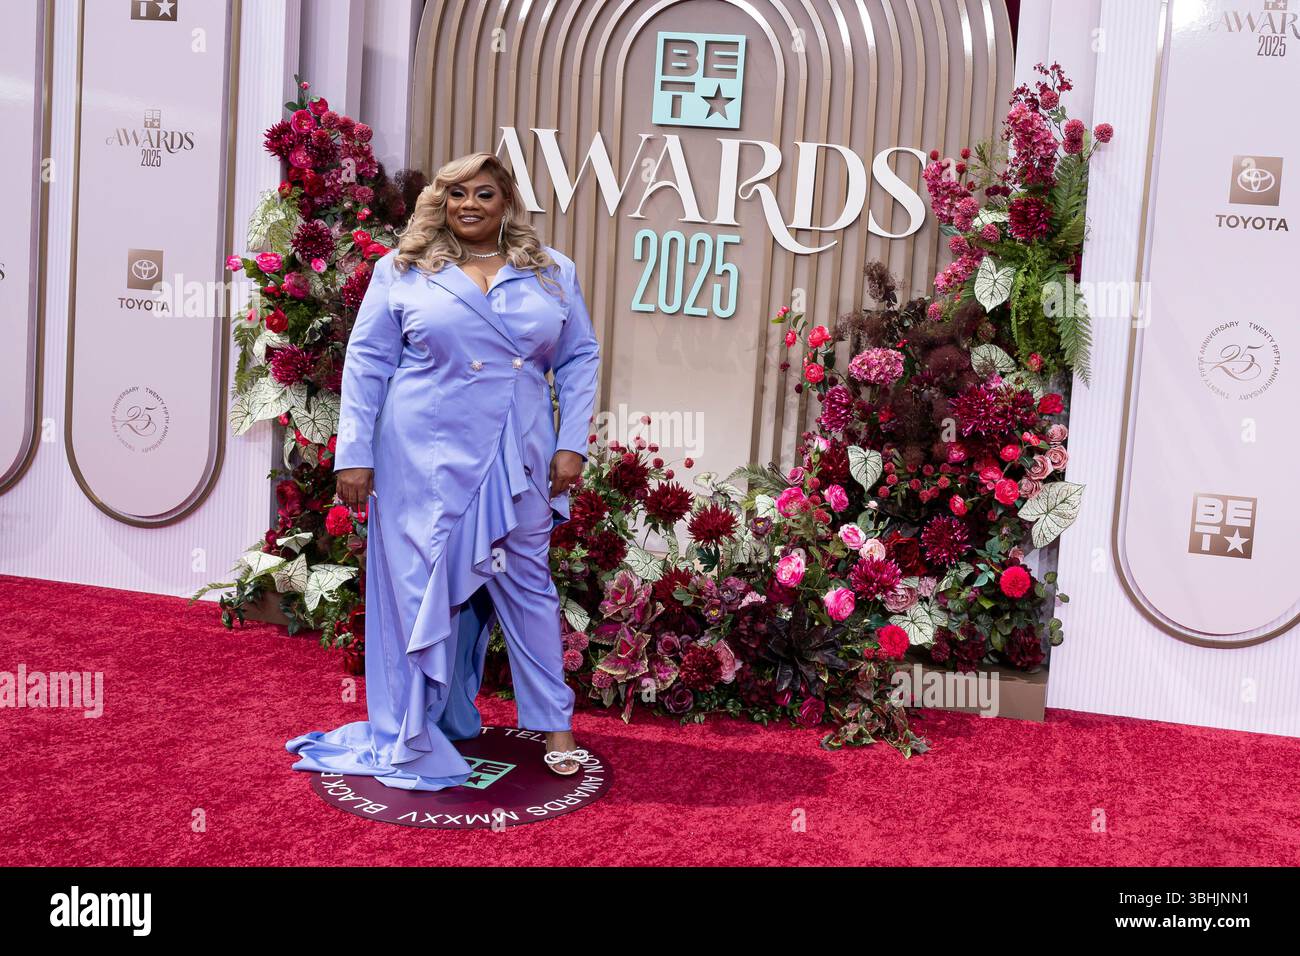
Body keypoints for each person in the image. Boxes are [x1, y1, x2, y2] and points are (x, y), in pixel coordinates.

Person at [285, 151, 601, 788]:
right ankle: (413, 724)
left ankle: (556, 724)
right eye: (457, 195)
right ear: (442, 204)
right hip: (424, 456)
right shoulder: (401, 271)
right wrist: (354, 453)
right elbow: (368, 362)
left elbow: (580, 357)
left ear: (506, 202)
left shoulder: (551, 272)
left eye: (485, 194)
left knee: (527, 588)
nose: (471, 206)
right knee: (418, 589)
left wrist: (573, 442)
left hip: (520, 454)